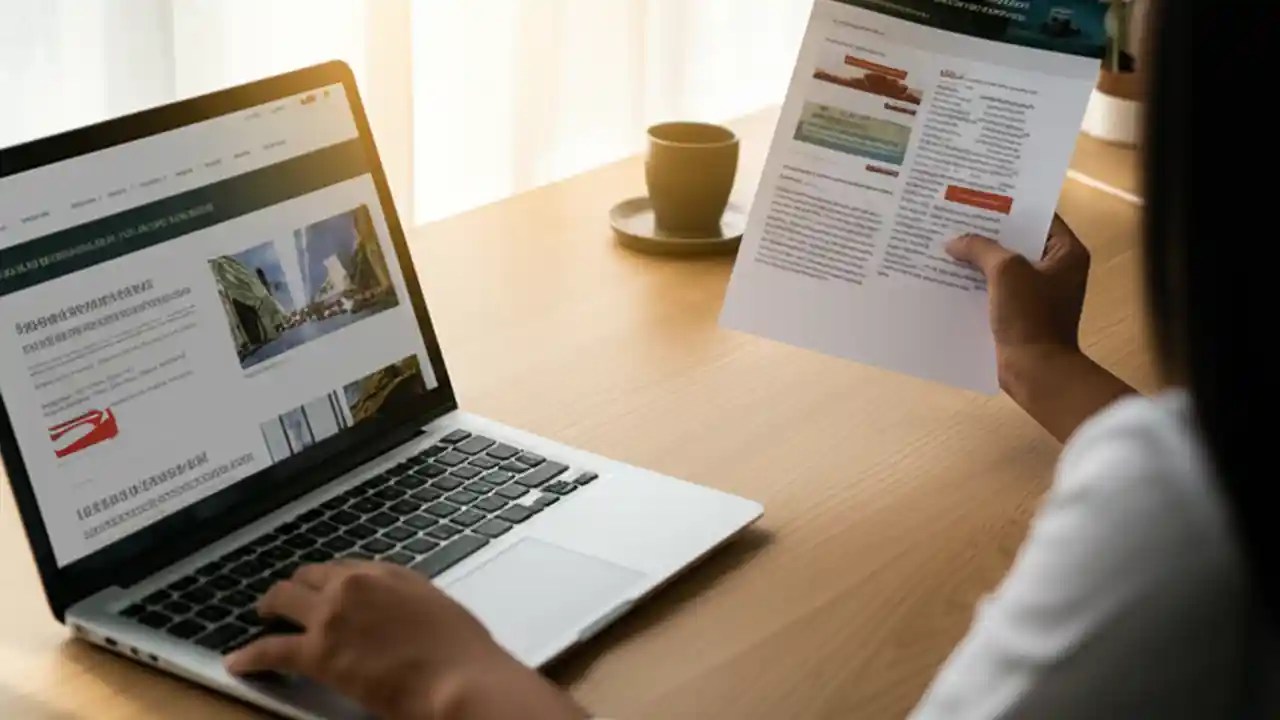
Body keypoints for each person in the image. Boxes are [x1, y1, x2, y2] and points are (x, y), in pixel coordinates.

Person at [225, 1, 1273, 717]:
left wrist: (458, 681)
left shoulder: (1176, 514)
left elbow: (1185, 505)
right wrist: (1043, 366)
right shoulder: (1191, 484)